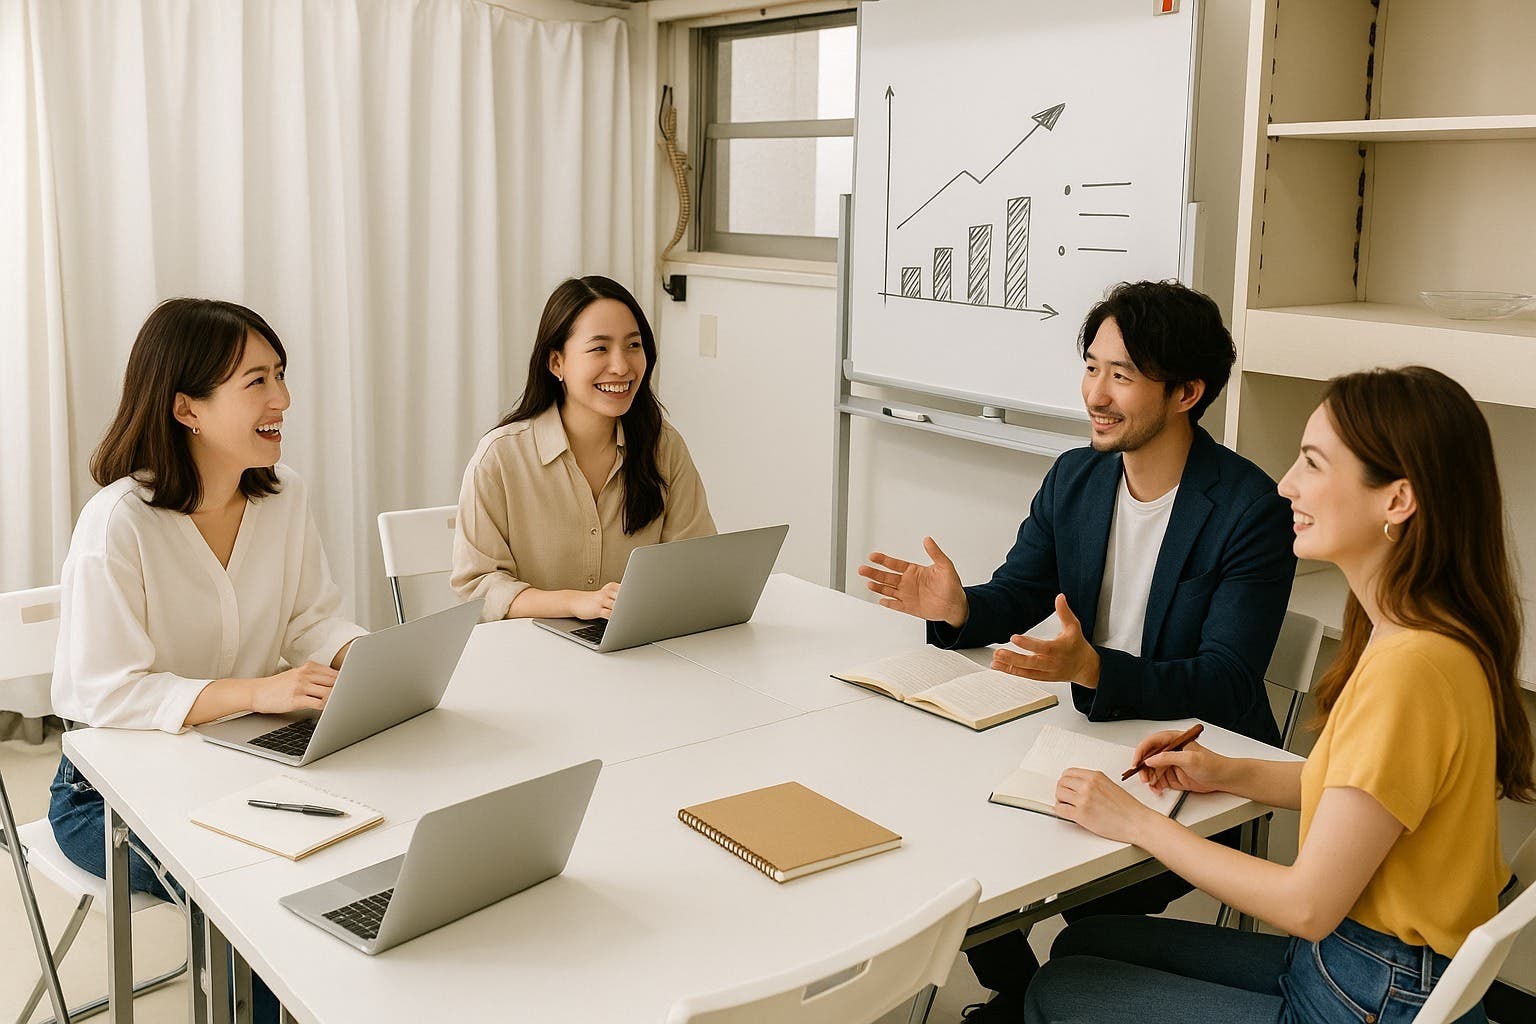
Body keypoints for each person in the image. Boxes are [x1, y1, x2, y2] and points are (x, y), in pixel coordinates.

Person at [1026, 365, 1534, 1024]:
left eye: (1314, 465)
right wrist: (1224, 771)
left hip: (1368, 995)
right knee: (1087, 939)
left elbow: (1305, 905)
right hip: (1365, 969)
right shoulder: (1421, 630)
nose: (1286, 483)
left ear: (1397, 500)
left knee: (1058, 990)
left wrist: (1135, 824)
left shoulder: (1412, 669)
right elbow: (1366, 794)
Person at [859, 280, 1297, 1016]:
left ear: (1187, 391)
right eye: (1092, 366)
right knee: (930, 826)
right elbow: (1021, 591)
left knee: (1051, 888)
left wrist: (1095, 670)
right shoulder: (1077, 477)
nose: (1096, 392)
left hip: (1185, 760)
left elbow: (1227, 681)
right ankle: (1022, 994)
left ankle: (1037, 1000)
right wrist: (961, 606)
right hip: (1075, 732)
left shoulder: (1250, 510)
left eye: (1121, 375)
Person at [49, 298, 367, 1023]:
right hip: (104, 801)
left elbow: (308, 617)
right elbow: (102, 694)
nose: (282, 398)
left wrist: (364, 655)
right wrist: (258, 690)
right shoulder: (118, 524)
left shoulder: (285, 498)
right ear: (187, 408)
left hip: (240, 763)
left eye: (280, 375)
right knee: (251, 895)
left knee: (364, 844)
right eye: (257, 381)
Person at [453, 275, 715, 621]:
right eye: (599, 348)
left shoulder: (663, 447)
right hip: (526, 656)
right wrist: (576, 602)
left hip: (635, 653)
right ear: (556, 363)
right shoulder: (500, 458)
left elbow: (696, 562)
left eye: (633, 345)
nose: (622, 366)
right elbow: (479, 588)